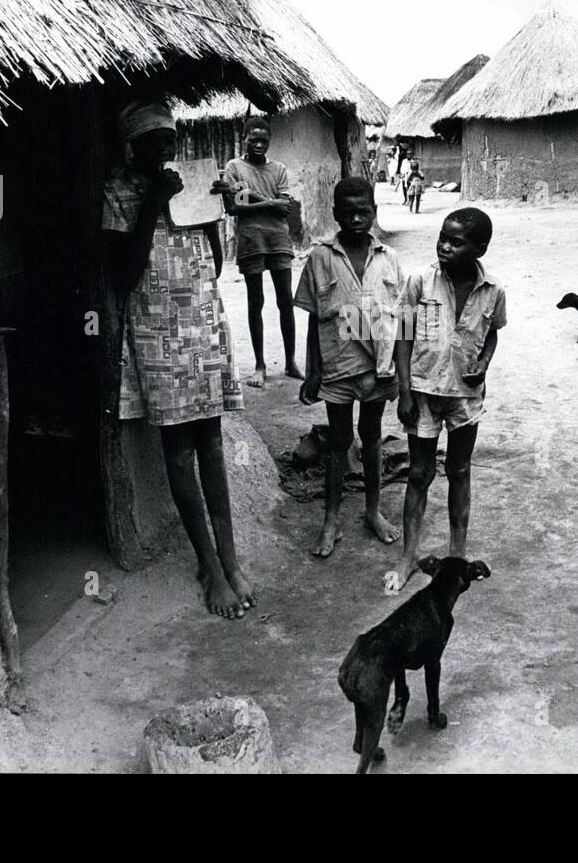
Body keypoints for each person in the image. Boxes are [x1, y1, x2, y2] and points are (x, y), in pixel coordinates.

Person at [103, 100, 254, 619]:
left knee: (211, 440)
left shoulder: (186, 183)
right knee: (178, 448)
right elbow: (122, 274)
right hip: (155, 330)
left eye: (171, 141)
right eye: (156, 143)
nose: (167, 151)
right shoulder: (118, 191)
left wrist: (209, 210)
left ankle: (231, 559)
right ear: (134, 146)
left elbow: (212, 257)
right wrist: (153, 204)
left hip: (202, 323)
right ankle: (209, 566)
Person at [386, 208, 506, 594]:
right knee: (419, 473)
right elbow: (402, 334)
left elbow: (491, 334)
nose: (445, 247)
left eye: (456, 242)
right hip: (422, 392)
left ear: (479, 248)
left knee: (460, 471)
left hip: (465, 397)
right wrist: (404, 390)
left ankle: (456, 556)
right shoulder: (420, 280)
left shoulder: (494, 290)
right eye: (443, 237)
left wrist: (483, 365)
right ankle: (407, 559)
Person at [295, 177, 404, 558]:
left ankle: (372, 512)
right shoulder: (320, 258)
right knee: (339, 442)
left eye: (365, 210)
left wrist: (402, 379)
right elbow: (313, 320)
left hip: (378, 369)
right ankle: (331, 520)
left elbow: (400, 321)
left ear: (375, 211)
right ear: (335, 213)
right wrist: (312, 371)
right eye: (349, 211)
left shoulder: (388, 259)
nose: (357, 217)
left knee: (371, 438)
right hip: (337, 366)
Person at [213, 117, 303, 388]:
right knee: (256, 302)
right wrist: (269, 202)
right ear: (245, 139)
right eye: (254, 140)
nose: (260, 145)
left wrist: (252, 196)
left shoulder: (279, 169)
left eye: (264, 140)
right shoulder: (234, 167)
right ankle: (260, 365)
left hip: (278, 239)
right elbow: (233, 209)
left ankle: (290, 362)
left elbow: (285, 208)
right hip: (251, 240)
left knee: (285, 300)